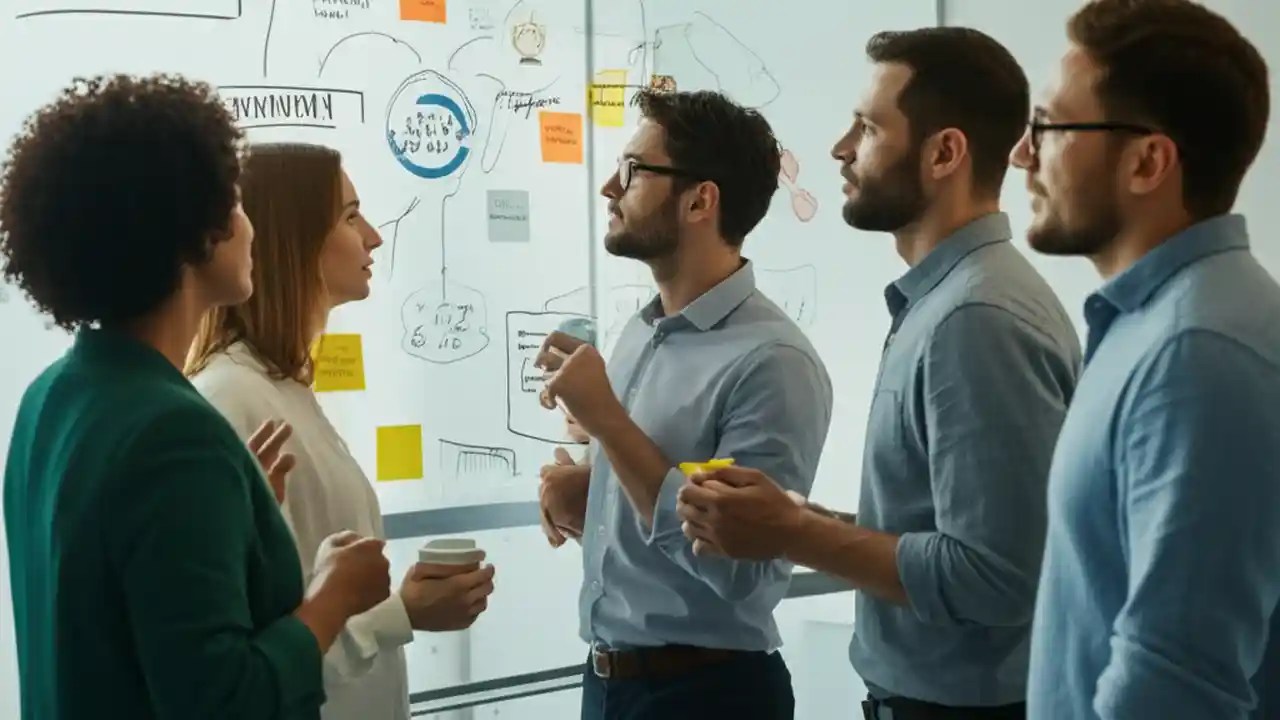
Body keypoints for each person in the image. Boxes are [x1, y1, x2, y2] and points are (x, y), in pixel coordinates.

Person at [675, 28, 1081, 720]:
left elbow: (997, 579)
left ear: (944, 153)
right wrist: (797, 518)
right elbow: (941, 531)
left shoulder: (974, 317)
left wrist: (792, 533)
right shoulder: (948, 301)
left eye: (866, 128)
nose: (841, 148)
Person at [1, 74, 390, 720]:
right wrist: (333, 599)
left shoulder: (48, 399)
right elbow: (223, 700)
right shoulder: (174, 432)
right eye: (234, 204)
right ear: (194, 230)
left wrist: (229, 511)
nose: (251, 228)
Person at [1007, 1, 1280, 717]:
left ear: (1147, 162)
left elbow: (1172, 684)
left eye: (1047, 127)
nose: (1022, 155)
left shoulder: (1198, 353)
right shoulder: (1157, 324)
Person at [535, 89, 833, 720]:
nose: (609, 189)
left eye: (633, 171)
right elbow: (655, 493)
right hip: (608, 683)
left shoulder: (773, 362)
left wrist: (607, 421)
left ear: (700, 201)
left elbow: (737, 573)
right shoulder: (640, 332)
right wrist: (591, 495)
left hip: (708, 695)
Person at [186, 142, 496, 720]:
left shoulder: (281, 388)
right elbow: (245, 654)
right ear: (294, 238)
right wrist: (402, 613)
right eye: (351, 217)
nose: (373, 237)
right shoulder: (232, 398)